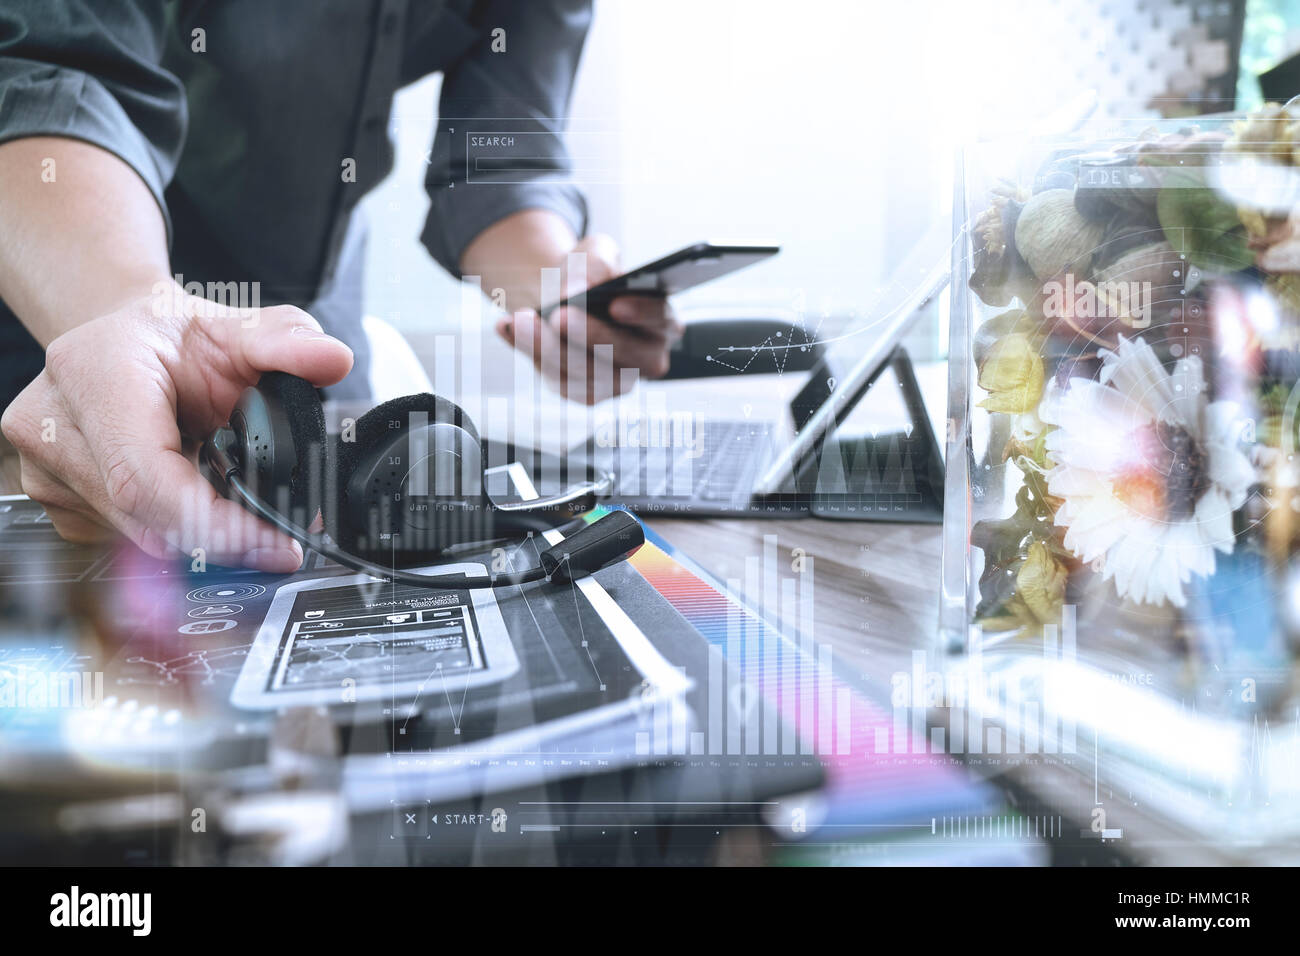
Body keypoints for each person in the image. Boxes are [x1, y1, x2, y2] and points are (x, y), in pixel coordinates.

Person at [0, 1, 679, 573]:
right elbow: (51, 68)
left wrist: (558, 294)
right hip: (74, 299)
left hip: (307, 342)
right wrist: (128, 309)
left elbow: (501, 154)